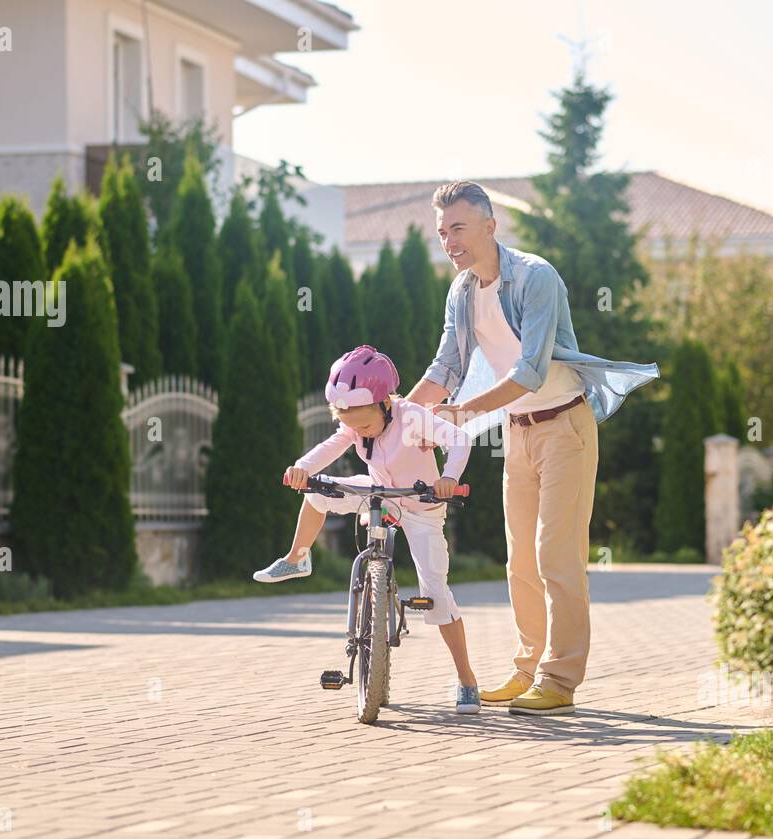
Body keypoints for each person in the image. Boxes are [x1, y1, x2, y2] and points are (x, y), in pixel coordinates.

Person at [406, 181, 660, 716]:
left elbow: (531, 370)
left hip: (564, 427)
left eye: (458, 228)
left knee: (555, 555)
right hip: (517, 433)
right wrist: (400, 417)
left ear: (489, 226)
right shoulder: (462, 292)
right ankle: (526, 671)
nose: (449, 242)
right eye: (442, 232)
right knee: (520, 560)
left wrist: (464, 412)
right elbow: (446, 367)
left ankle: (561, 679)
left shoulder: (536, 278)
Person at [254, 345, 482, 714]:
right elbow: (331, 446)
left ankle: (467, 680)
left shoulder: (412, 417)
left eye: (363, 424)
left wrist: (448, 477)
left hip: (421, 503)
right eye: (350, 424)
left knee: (436, 595)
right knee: (318, 493)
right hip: (380, 494)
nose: (357, 431)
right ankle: (297, 558)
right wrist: (301, 467)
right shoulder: (352, 425)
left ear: (386, 403)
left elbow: (460, 440)